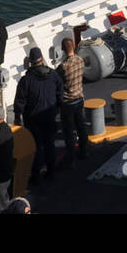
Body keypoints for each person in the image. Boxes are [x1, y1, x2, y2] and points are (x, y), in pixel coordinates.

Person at [13, 47, 63, 181]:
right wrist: (57, 108)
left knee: (36, 147)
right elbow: (60, 93)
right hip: (50, 115)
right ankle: (51, 171)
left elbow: (20, 101)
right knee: (49, 144)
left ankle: (36, 175)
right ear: (41, 59)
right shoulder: (53, 75)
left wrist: (18, 117)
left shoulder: (26, 80)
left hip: (33, 119)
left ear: (30, 61)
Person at [56, 38, 90, 169]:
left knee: (69, 131)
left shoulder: (63, 67)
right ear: (74, 47)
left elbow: (58, 82)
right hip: (79, 98)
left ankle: (70, 159)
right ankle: (84, 151)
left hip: (68, 102)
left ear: (63, 49)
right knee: (81, 126)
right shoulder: (80, 60)